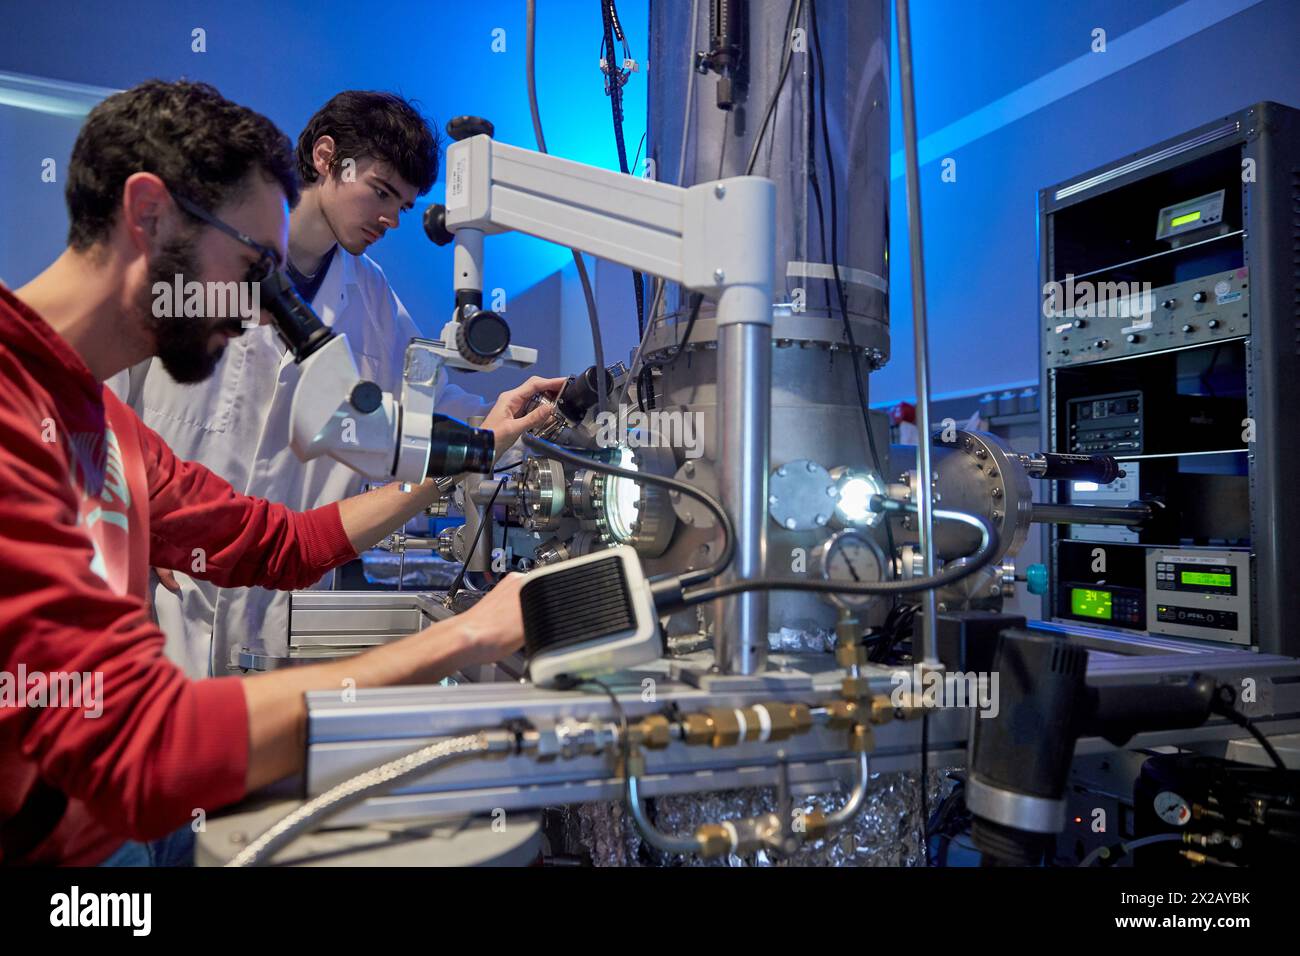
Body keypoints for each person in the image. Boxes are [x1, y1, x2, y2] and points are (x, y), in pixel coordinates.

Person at [0, 79, 552, 866]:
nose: (267, 305)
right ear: (149, 214)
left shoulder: (110, 433)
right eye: (254, 264)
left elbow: (280, 542)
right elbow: (145, 746)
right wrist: (464, 639)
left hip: (107, 832)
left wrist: (480, 447)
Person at [108, 90, 558, 677]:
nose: (390, 219)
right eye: (380, 191)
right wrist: (132, 524)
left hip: (285, 594)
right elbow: (104, 404)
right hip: (166, 587)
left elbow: (429, 410)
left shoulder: (370, 299)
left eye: (403, 204)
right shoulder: (195, 263)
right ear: (326, 158)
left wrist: (510, 420)